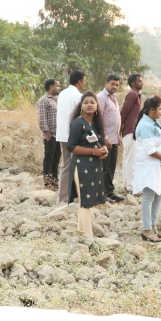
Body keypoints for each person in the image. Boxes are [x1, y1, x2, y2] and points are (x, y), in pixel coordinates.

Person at [68, 91, 109, 237]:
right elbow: (71, 147)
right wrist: (93, 152)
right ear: (81, 106)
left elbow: (101, 143)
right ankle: (89, 236)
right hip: (81, 166)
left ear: (97, 105)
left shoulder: (96, 124)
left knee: (86, 199)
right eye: (86, 102)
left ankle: (80, 231)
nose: (89, 105)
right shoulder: (78, 123)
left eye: (92, 102)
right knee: (85, 201)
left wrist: (103, 150)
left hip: (94, 166)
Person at [133, 95, 161, 242]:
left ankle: (153, 225)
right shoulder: (145, 126)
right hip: (148, 163)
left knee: (159, 193)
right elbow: (149, 150)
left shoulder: (153, 122)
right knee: (149, 195)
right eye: (160, 109)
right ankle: (147, 229)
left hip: (157, 164)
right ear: (152, 110)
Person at [56, 70, 87, 203]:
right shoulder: (78, 96)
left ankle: (63, 198)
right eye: (84, 80)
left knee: (66, 165)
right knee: (77, 166)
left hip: (62, 134)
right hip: (74, 136)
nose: (84, 83)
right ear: (79, 81)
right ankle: (77, 197)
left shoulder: (62, 93)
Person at [97, 75, 125, 202]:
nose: (114, 87)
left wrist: (118, 136)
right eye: (112, 84)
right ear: (106, 83)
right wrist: (105, 138)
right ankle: (101, 193)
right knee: (103, 167)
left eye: (117, 85)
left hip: (114, 139)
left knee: (111, 166)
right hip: (106, 139)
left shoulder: (113, 98)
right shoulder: (101, 97)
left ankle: (109, 191)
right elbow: (99, 119)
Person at [120, 73, 143, 193]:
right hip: (129, 130)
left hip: (131, 130)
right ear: (133, 83)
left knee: (127, 158)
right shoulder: (132, 94)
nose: (141, 83)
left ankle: (127, 184)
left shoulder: (136, 95)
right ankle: (130, 186)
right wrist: (120, 127)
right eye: (139, 81)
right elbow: (124, 112)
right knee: (130, 159)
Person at [38, 79, 61, 189]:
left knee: (56, 159)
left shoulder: (57, 100)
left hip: (58, 135)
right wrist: (47, 134)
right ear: (51, 87)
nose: (59, 87)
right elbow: (42, 118)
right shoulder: (44, 100)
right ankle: (47, 183)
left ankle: (55, 182)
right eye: (58, 85)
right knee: (49, 159)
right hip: (50, 135)